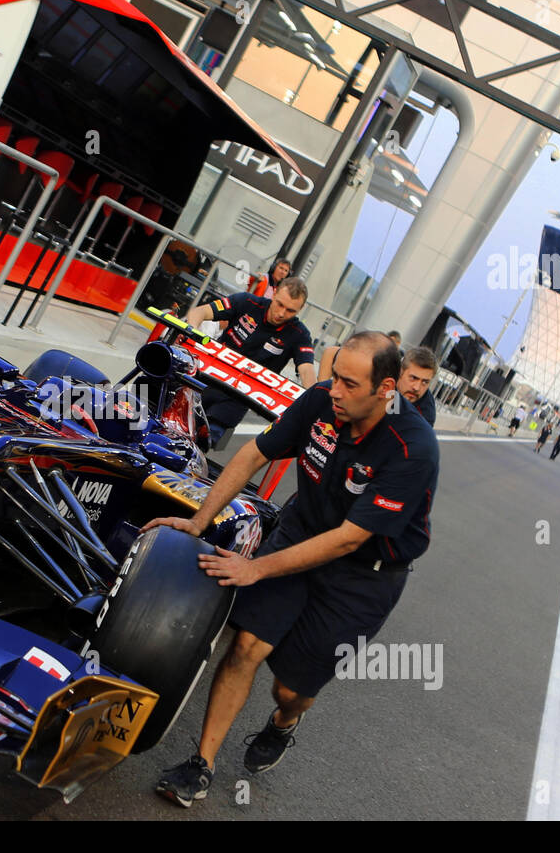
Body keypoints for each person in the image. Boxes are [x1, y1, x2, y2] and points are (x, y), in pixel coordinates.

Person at [146, 331, 439, 807]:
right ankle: (201, 764)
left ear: (385, 389)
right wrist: (199, 521)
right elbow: (254, 452)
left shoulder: (414, 448)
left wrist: (256, 570)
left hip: (364, 574)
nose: (335, 390)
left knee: (290, 690)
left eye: (349, 383)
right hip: (301, 532)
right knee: (245, 646)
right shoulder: (322, 399)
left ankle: (285, 722)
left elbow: (349, 538)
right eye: (336, 375)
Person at [184, 278, 316, 444]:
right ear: (274, 293)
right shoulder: (246, 302)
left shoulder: (300, 334)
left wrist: (315, 399)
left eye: (290, 310)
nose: (281, 313)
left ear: (300, 309)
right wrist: (192, 333)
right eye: (279, 304)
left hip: (237, 398)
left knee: (202, 441)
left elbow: (306, 370)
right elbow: (199, 312)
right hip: (202, 377)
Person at [397, 345, 438, 426]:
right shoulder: (381, 380)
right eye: (413, 378)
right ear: (400, 372)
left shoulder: (425, 415)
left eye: (425, 382)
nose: (416, 388)